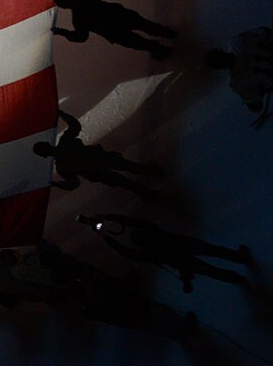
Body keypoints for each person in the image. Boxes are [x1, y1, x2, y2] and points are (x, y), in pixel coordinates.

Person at [78, 212, 251, 293]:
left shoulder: (147, 254)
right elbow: (134, 221)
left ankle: (235, 279)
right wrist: (108, 216)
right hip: (184, 244)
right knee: (216, 251)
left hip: (180, 261)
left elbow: (123, 251)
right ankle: (240, 257)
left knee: (210, 271)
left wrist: (103, 236)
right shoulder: (154, 231)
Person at [33, 109, 164, 201]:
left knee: (125, 182)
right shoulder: (65, 142)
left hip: (98, 172)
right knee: (129, 166)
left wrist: (58, 185)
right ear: (47, 144)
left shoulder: (62, 167)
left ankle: (150, 192)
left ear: (44, 156)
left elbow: (73, 184)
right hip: (102, 159)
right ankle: (153, 172)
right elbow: (75, 125)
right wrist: (61, 114)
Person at [53, 0, 176, 60]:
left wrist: (61, 32)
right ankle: (168, 33)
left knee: (137, 41)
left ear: (63, 7)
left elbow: (81, 37)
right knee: (145, 25)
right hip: (120, 15)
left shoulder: (78, 19)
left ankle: (159, 49)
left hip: (113, 31)